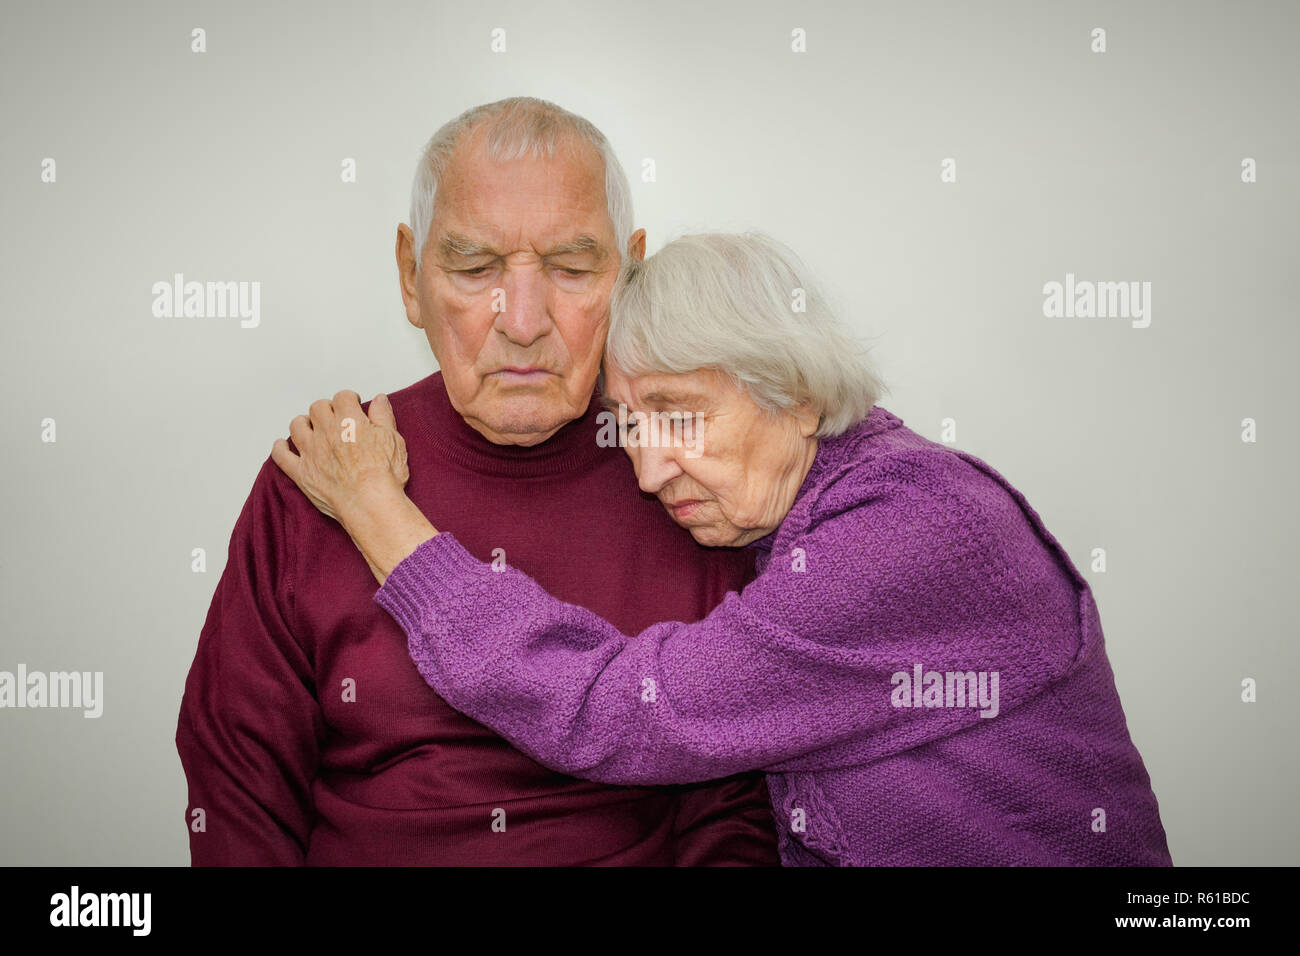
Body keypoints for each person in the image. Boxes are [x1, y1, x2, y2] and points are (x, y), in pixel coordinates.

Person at [274, 232, 1175, 866]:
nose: (648, 468)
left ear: (800, 396)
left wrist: (378, 515)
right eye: (629, 425)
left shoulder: (916, 525)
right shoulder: (784, 525)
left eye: (679, 415)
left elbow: (624, 712)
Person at [176, 98, 781, 866]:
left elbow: (736, 803)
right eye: (474, 267)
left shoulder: (689, 479)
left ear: (626, 273)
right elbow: (238, 792)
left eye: (570, 268)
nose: (521, 320)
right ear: (410, 274)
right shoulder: (324, 472)